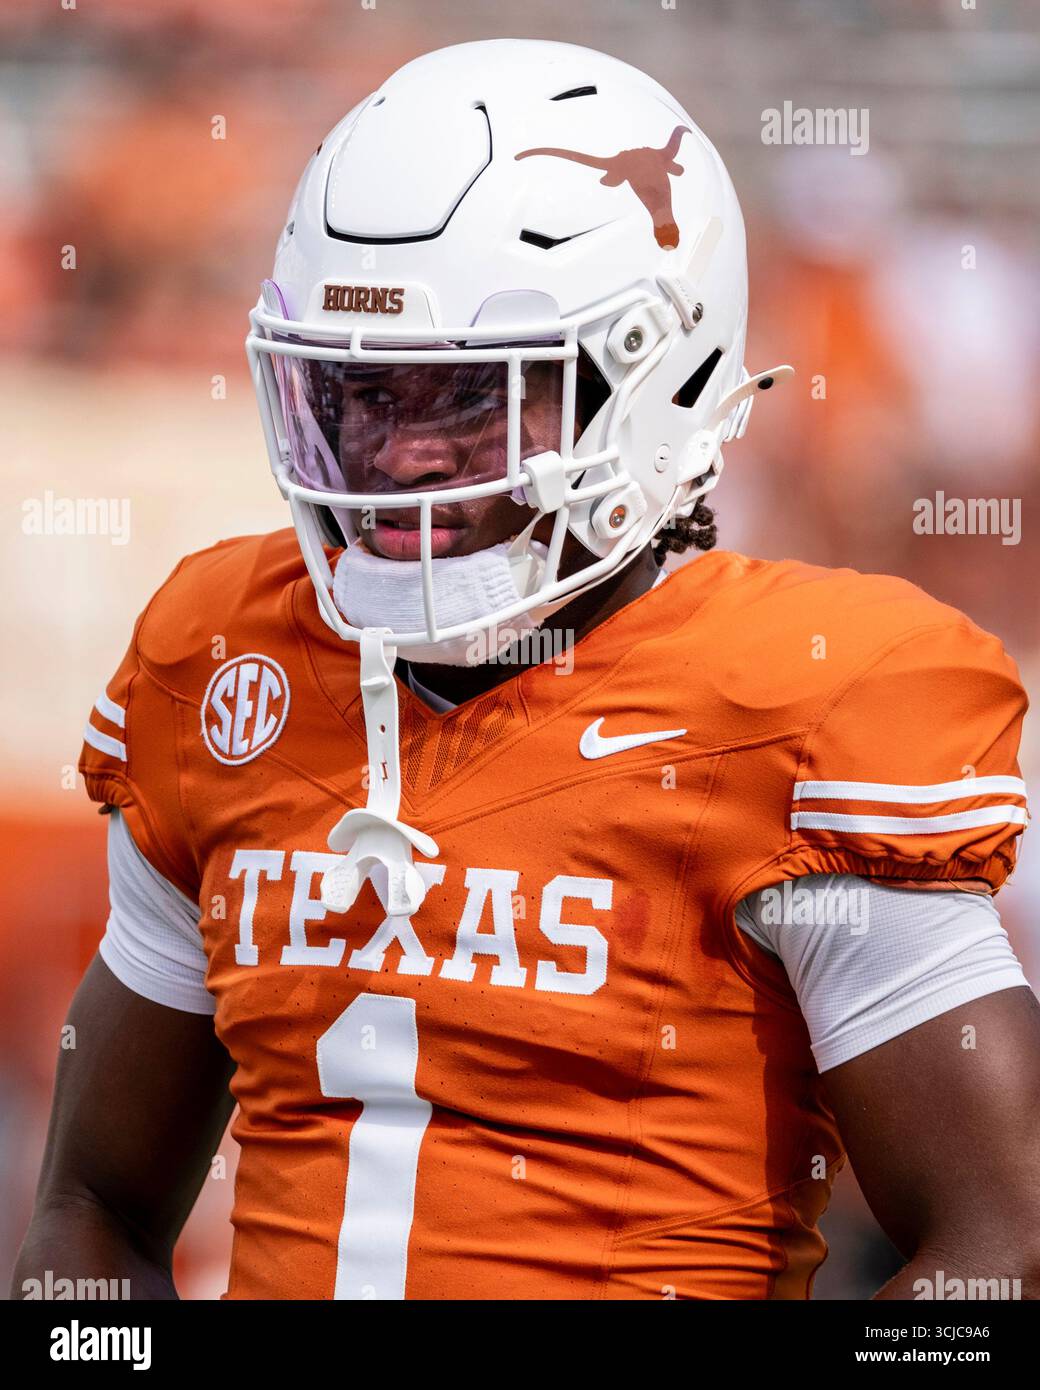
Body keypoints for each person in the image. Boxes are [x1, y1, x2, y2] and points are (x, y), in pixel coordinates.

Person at [14, 39, 1038, 1301]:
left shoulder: (805, 701)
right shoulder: (223, 659)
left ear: (653, 380)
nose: (393, 460)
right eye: (355, 396)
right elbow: (88, 1217)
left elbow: (997, 1253)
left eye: (461, 400)